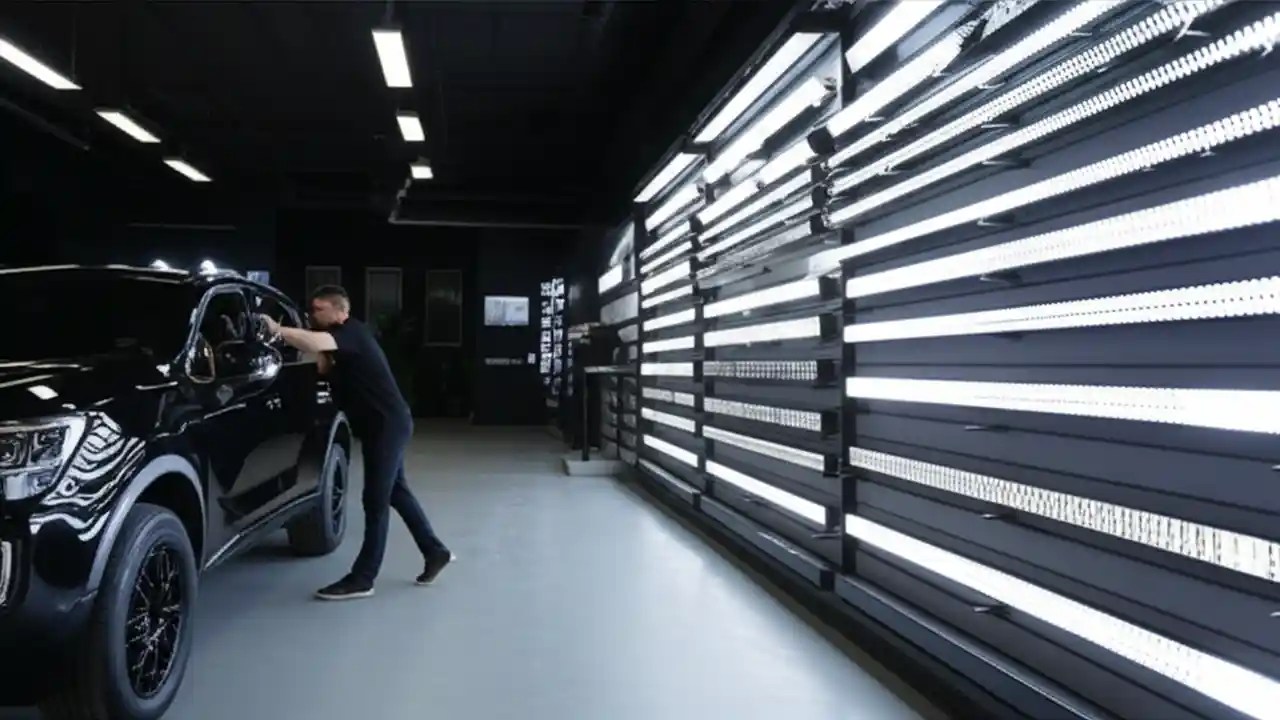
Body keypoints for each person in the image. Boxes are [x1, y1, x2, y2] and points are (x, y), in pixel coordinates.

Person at [260, 285, 453, 600]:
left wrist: (277, 329)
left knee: (375, 501)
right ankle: (435, 551)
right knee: (397, 492)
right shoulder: (338, 343)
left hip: (387, 427)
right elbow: (321, 362)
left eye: (319, 309)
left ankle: (363, 578)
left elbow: (315, 341)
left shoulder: (352, 332)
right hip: (381, 427)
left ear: (340, 311)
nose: (313, 314)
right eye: (312, 309)